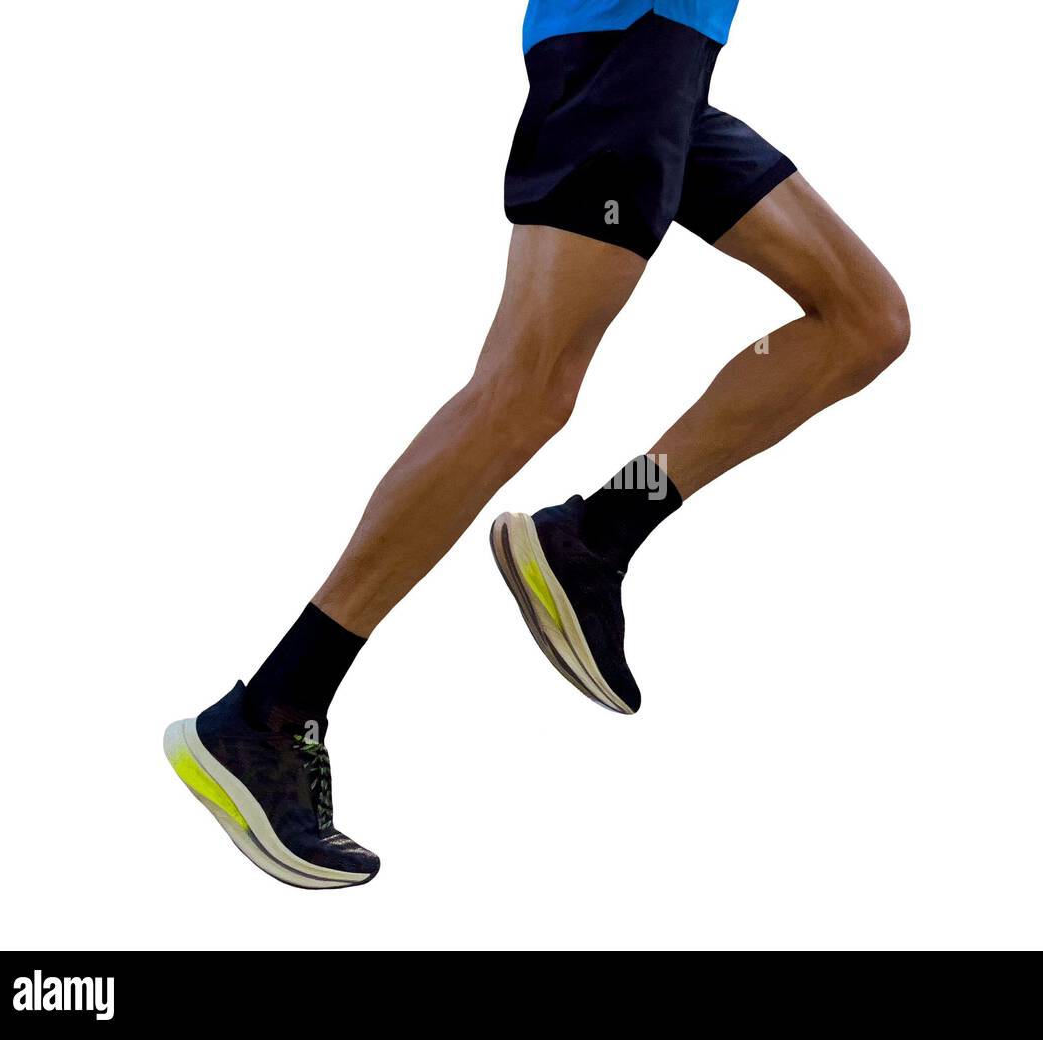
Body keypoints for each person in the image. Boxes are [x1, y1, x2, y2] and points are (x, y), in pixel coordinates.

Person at [164, 1, 910, 888]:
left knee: (863, 319)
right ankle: (273, 710)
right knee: (525, 391)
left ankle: (595, 534)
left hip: (668, 66)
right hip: (624, 46)